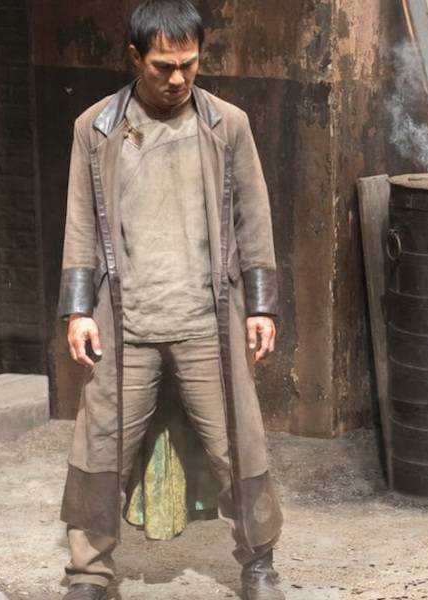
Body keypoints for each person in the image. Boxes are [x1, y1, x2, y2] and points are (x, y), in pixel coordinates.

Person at [54, 2, 284, 599]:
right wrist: (78, 310)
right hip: (124, 325)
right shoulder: (96, 128)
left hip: (207, 322)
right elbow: (80, 224)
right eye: (163, 66)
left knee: (238, 447)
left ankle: (259, 564)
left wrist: (261, 305)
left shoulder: (227, 125)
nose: (178, 78)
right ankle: (89, 574)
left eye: (189, 64)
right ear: (135, 58)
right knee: (101, 447)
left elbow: (254, 218)